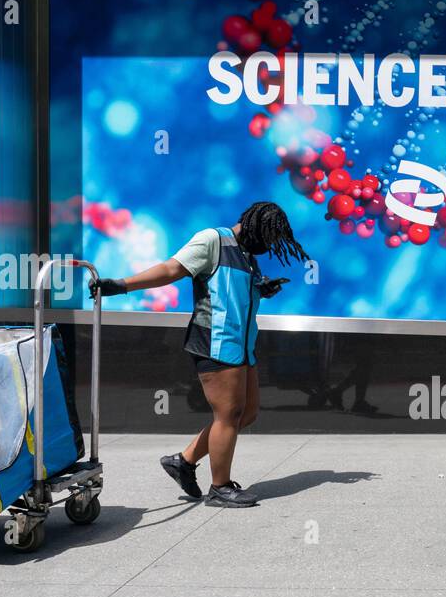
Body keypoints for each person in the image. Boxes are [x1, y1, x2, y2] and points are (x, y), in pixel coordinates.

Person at [90, 202, 308, 507]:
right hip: (215, 342)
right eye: (266, 239)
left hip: (242, 345)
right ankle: (220, 488)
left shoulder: (247, 256)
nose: (267, 247)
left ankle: (183, 461)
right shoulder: (212, 241)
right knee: (228, 415)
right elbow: (171, 268)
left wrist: (261, 288)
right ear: (252, 226)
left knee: (246, 413)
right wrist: (121, 285)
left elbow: (232, 292)